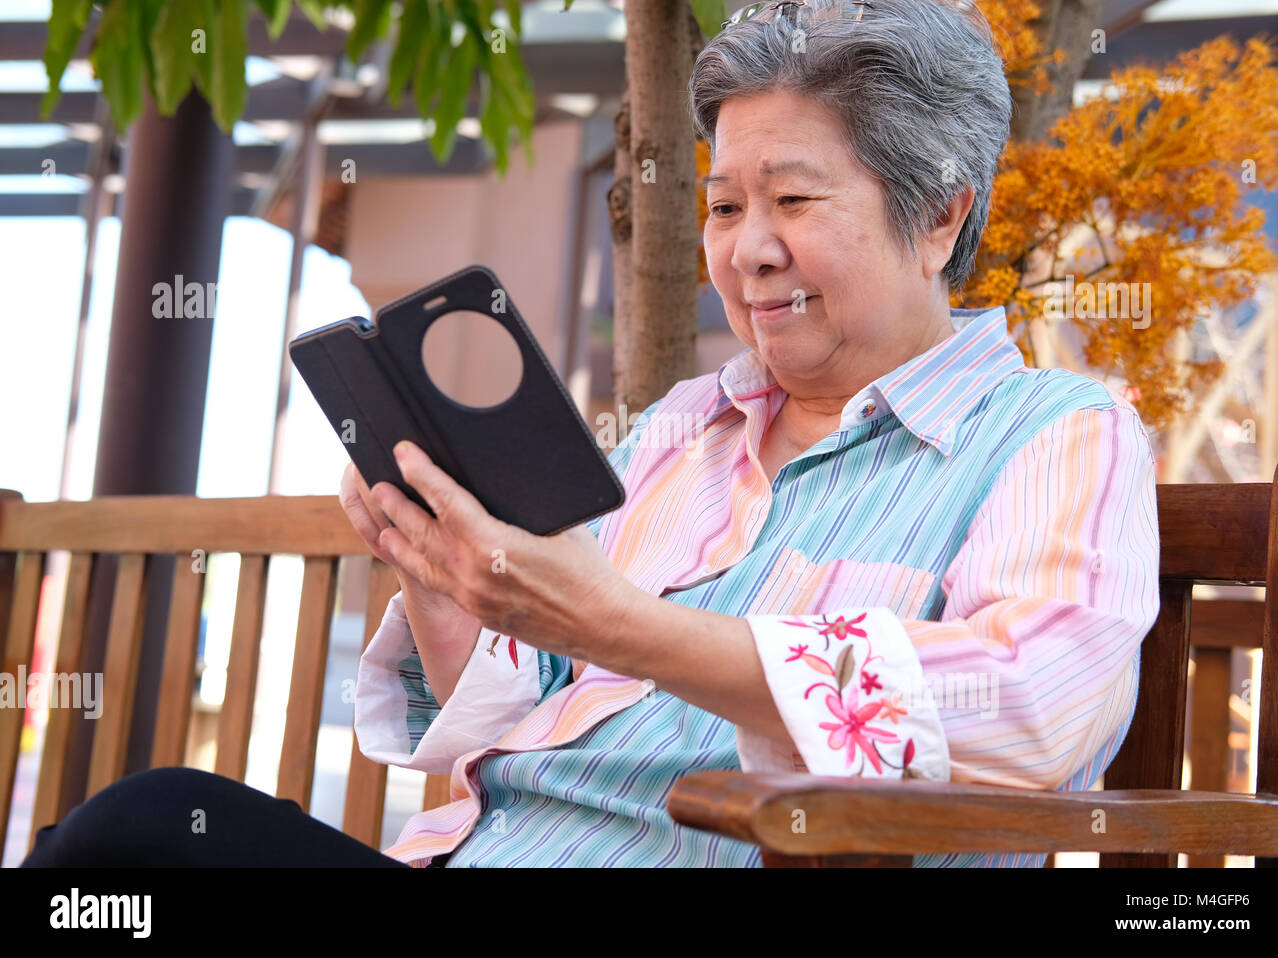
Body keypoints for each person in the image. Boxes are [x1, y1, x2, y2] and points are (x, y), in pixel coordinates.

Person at [23, 0, 1158, 869]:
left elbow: (1036, 706)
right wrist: (451, 578)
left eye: (793, 203)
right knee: (134, 840)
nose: (746, 251)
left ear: (941, 216)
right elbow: (523, 701)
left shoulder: (1054, 433)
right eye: (721, 207)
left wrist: (629, 623)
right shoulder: (682, 429)